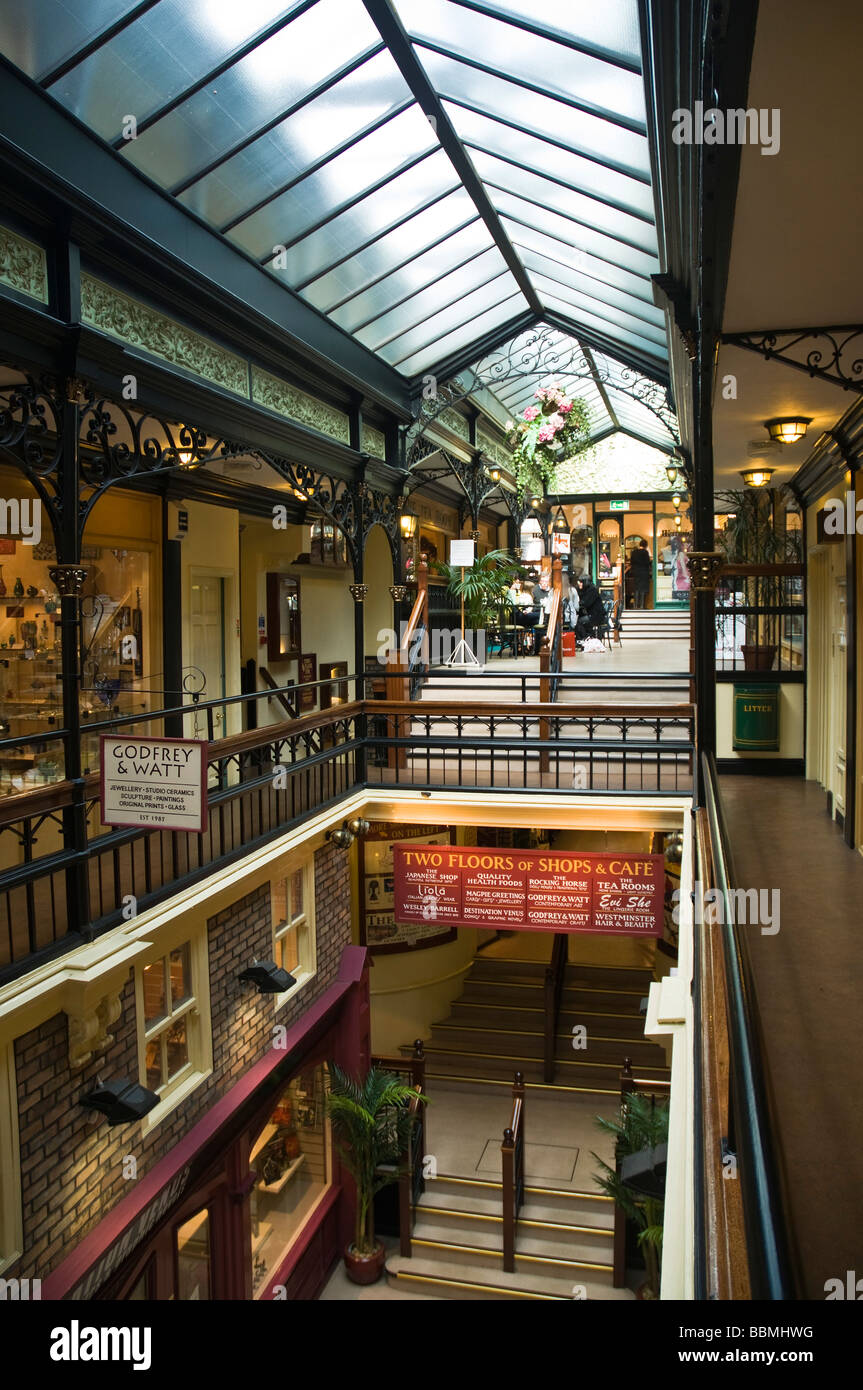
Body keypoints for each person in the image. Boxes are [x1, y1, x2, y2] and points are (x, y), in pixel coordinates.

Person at [574, 576, 606, 642]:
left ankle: (585, 639)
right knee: (579, 620)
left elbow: (585, 603)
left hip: (596, 616)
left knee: (578, 622)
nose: (579, 585)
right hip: (593, 614)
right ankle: (587, 637)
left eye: (581, 583)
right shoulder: (589, 589)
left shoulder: (592, 590)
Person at [628, 539, 652, 609]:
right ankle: (642, 606)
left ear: (640, 544)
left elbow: (631, 562)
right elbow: (647, 562)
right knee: (643, 589)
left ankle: (635, 606)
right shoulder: (645, 552)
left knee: (636, 588)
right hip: (644, 572)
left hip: (636, 572)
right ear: (646, 545)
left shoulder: (634, 552)